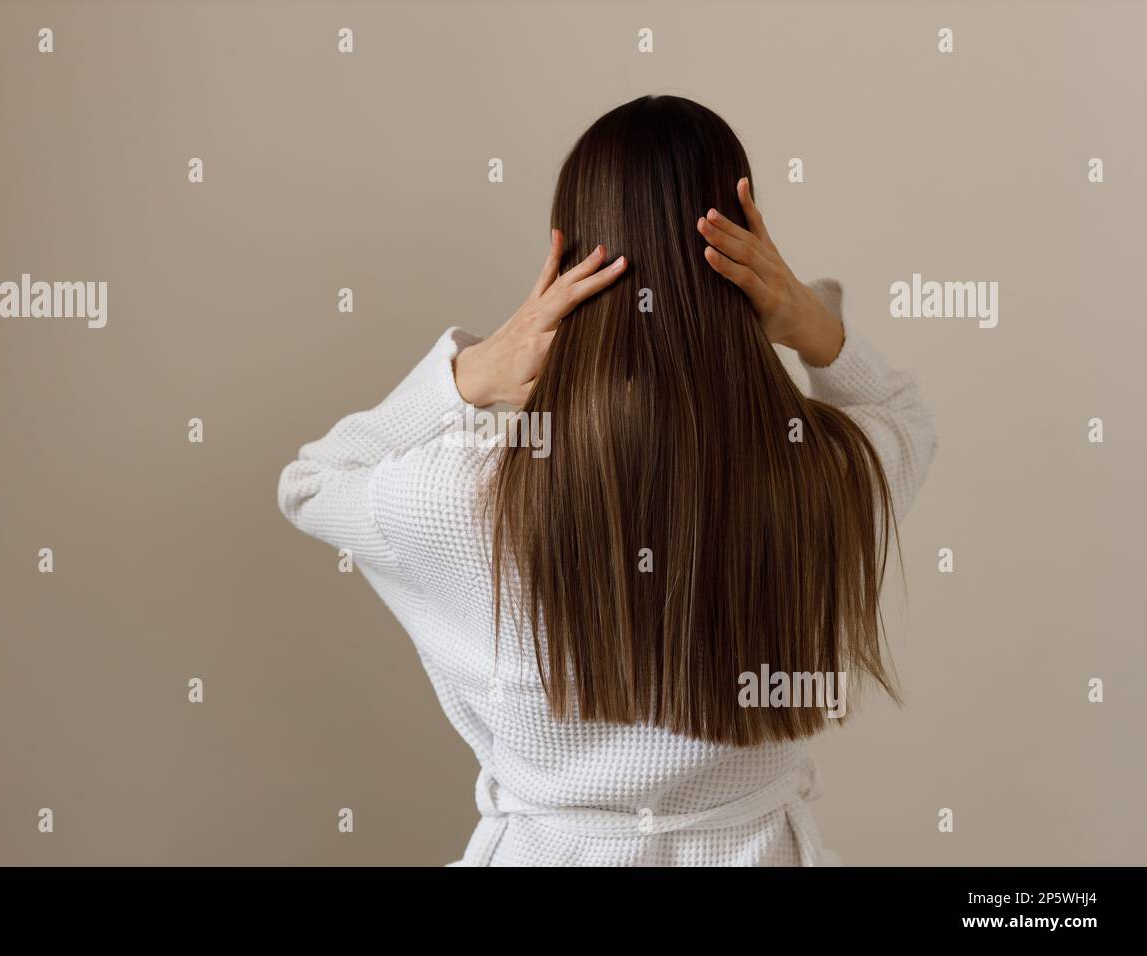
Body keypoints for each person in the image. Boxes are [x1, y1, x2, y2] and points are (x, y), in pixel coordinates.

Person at [279, 95, 936, 866]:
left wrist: (470, 373)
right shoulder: (827, 471)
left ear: (567, 269)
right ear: (748, 260)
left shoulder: (469, 494)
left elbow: (313, 481)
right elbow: (903, 417)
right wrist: (811, 326)